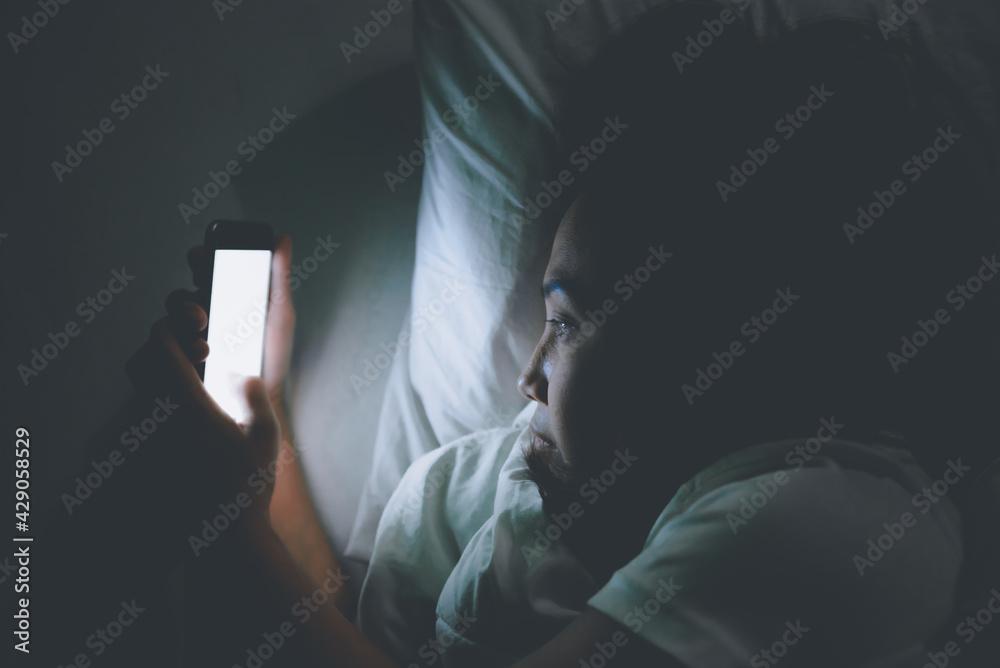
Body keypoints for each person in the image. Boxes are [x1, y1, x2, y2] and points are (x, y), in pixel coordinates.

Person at [138, 3, 999, 666]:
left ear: (706, 342)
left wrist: (228, 521)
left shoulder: (830, 528)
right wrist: (264, 445)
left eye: (565, 323)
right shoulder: (571, 490)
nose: (528, 378)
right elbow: (339, 635)